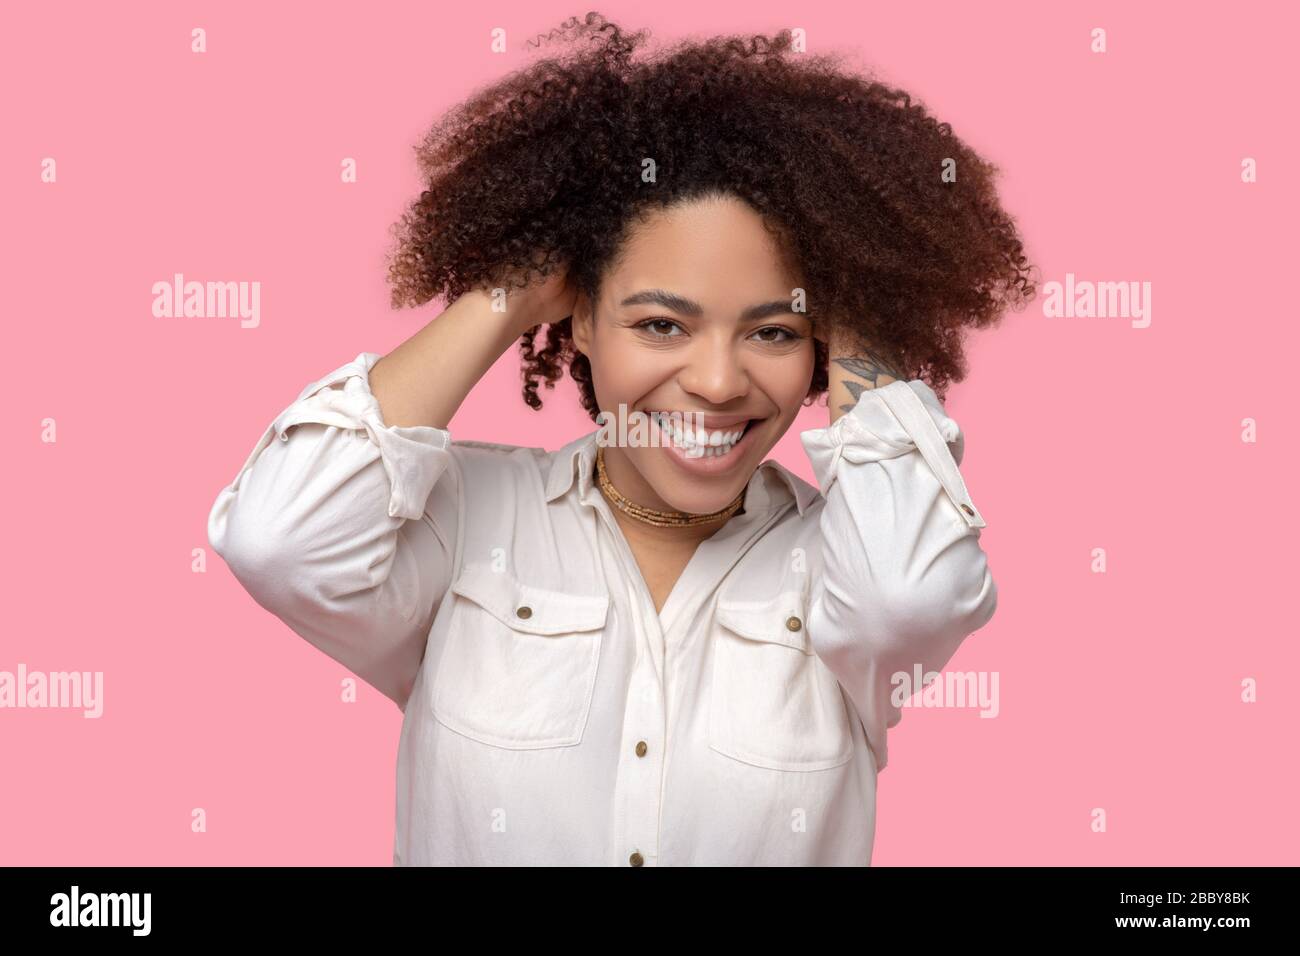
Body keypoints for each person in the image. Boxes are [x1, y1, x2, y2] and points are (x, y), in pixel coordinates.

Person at [206, 12, 1034, 866]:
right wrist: (508, 293)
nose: (718, 382)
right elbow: (281, 540)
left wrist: (858, 289)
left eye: (775, 333)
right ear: (581, 323)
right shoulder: (458, 527)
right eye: (662, 324)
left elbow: (913, 598)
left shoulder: (848, 568)